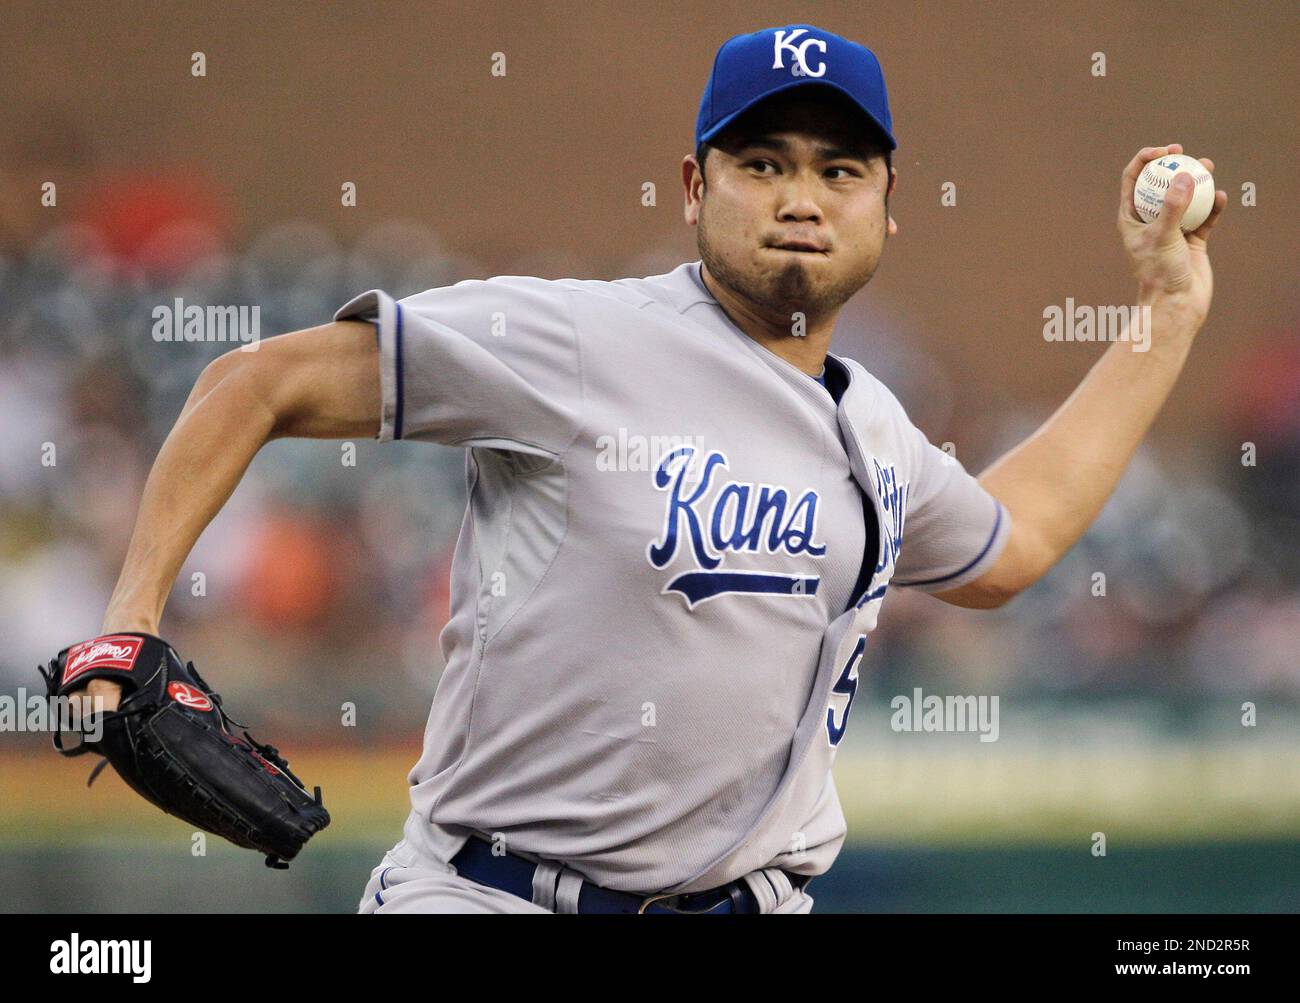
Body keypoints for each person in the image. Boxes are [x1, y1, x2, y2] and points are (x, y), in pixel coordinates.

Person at [64, 24, 1225, 913]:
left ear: (887, 207)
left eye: (839, 170)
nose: (801, 200)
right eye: (762, 162)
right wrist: (131, 619)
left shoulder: (874, 429)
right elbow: (251, 385)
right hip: (491, 893)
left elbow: (1010, 545)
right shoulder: (573, 341)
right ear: (691, 188)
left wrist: (1165, 314)